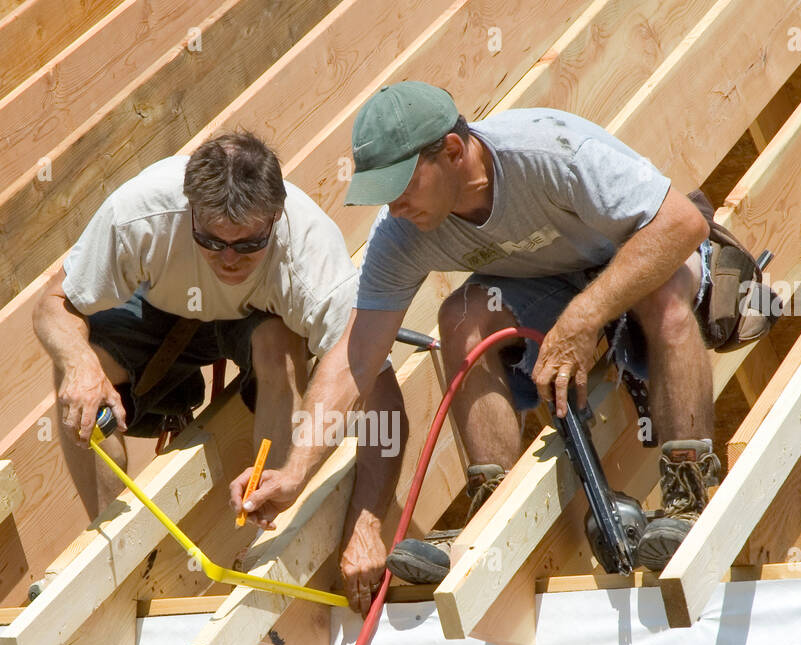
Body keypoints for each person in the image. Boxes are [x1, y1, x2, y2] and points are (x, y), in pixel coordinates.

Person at [233, 82, 725, 580]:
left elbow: (682, 224)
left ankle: (688, 495)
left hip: (639, 262)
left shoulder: (551, 152)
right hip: (553, 288)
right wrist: (294, 474)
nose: (395, 206)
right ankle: (492, 508)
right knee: (462, 315)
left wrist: (583, 318)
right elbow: (357, 356)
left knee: (662, 296)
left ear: (451, 150)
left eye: (402, 186)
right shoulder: (402, 233)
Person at [33, 131, 404, 613]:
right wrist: (80, 364)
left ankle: (264, 531)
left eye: (247, 245)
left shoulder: (310, 256)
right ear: (189, 210)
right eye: (211, 241)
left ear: (275, 216)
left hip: (258, 318)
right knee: (77, 375)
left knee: (277, 346)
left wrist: (366, 524)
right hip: (163, 305)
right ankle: (113, 553)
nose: (228, 259)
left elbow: (381, 397)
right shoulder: (140, 213)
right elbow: (53, 303)